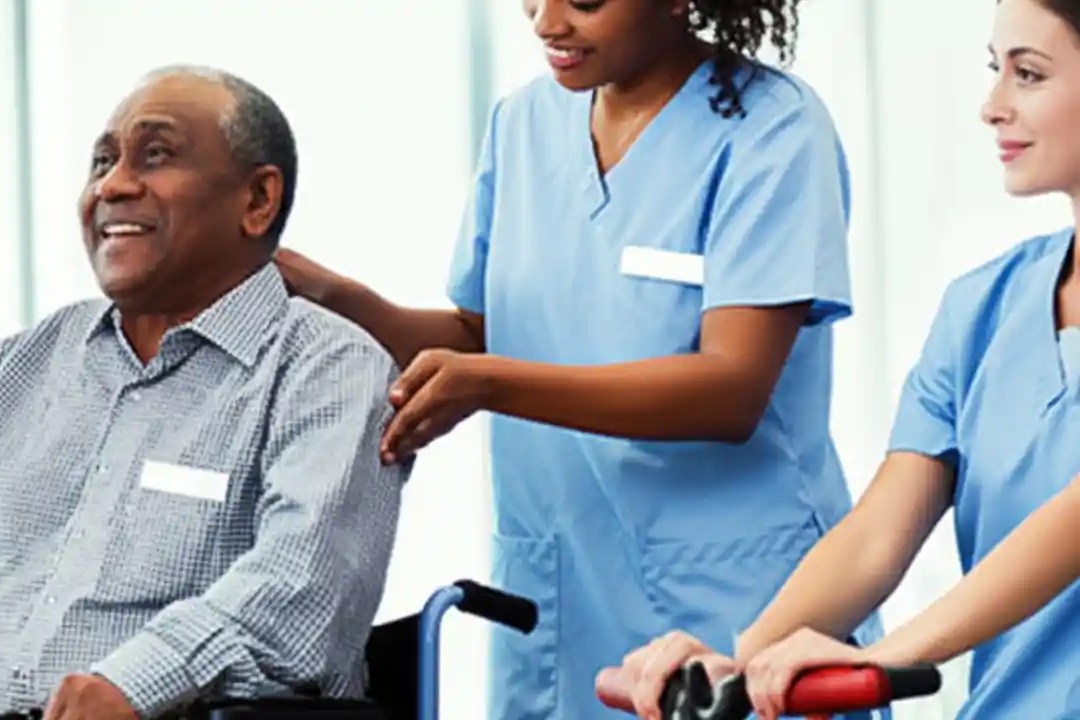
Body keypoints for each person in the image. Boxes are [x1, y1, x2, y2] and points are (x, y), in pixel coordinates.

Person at [275, 0, 880, 718]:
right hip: (558, 608)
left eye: (584, 0)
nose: (546, 22)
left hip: (733, 603)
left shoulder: (772, 131)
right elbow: (488, 335)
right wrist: (335, 296)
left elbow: (731, 388)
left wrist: (491, 384)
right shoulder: (522, 124)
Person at [0, 65, 408, 720]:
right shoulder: (15, 371)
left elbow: (303, 594)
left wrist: (132, 685)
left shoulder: (329, 370)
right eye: (101, 161)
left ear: (257, 200)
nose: (112, 185)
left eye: (156, 155)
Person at [600, 0, 1080, 717]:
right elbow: (879, 533)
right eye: (995, 70)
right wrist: (742, 660)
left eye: (1029, 75)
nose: (992, 106)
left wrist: (886, 656)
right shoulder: (984, 308)